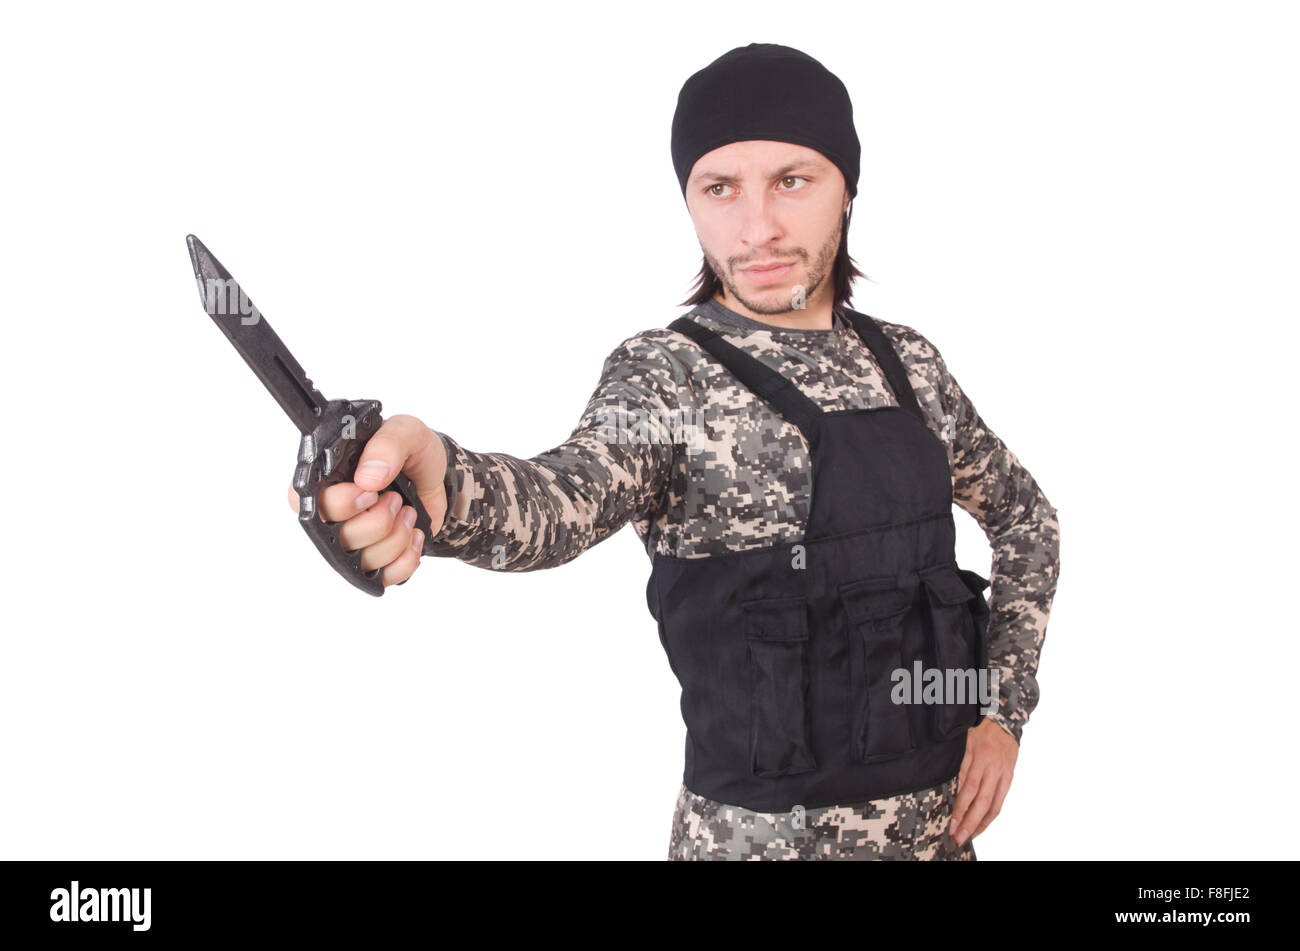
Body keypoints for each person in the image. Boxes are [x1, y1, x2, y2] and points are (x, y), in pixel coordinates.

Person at [287, 43, 1060, 860]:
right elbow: (559, 500)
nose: (756, 226)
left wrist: (1001, 710)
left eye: (792, 180)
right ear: (689, 200)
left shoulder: (912, 368)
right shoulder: (667, 377)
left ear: (847, 190)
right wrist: (439, 480)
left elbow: (1027, 519)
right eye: (719, 188)